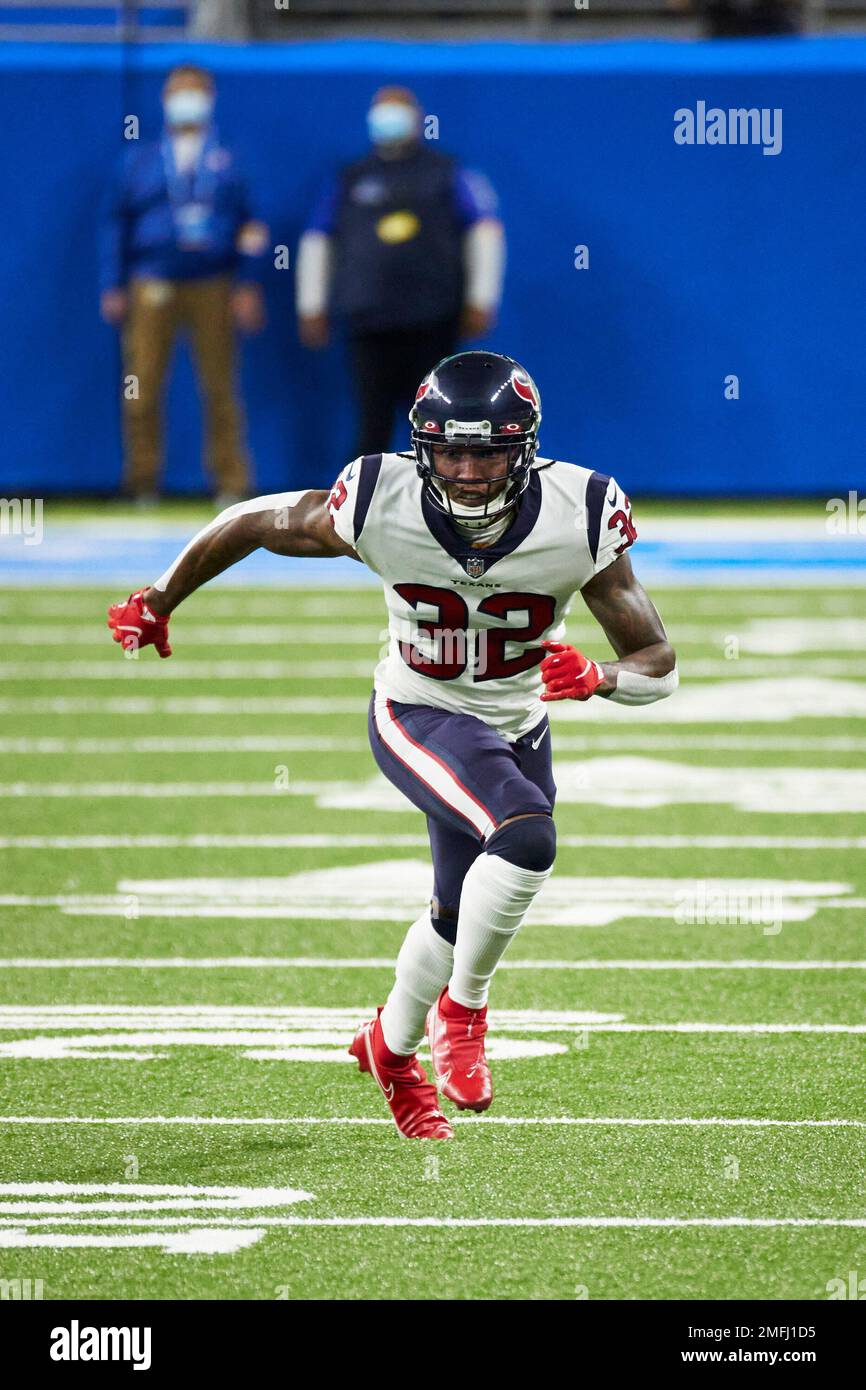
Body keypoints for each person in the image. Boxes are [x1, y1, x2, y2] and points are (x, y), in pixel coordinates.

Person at [107, 350, 678, 1141]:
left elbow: (659, 668)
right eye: (450, 450)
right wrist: (160, 598)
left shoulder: (578, 513)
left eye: (487, 450)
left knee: (455, 914)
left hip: (516, 723)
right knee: (527, 837)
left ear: (525, 447)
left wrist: (601, 677)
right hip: (418, 711)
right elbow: (253, 521)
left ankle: (391, 1049)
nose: (469, 471)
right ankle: (465, 1015)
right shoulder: (381, 498)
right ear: (423, 447)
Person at [296, 86, 505, 458]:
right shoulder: (351, 178)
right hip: (369, 317)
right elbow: (317, 239)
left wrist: (481, 297)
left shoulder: (446, 172)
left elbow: (485, 231)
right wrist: (312, 303)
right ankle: (362, 504)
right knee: (371, 419)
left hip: (432, 316)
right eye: (382, 109)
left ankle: (442, 496)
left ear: (418, 118)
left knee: (437, 419)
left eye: (398, 109)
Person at [98, 63, 268, 507]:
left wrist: (247, 284)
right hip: (151, 280)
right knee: (142, 383)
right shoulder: (140, 159)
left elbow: (251, 227)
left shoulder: (230, 158)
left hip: (213, 281)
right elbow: (115, 224)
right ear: (164, 100)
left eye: (195, 92)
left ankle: (232, 481)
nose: (187, 101)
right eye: (179, 92)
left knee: (219, 384)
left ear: (210, 100)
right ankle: (142, 481)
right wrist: (112, 283)